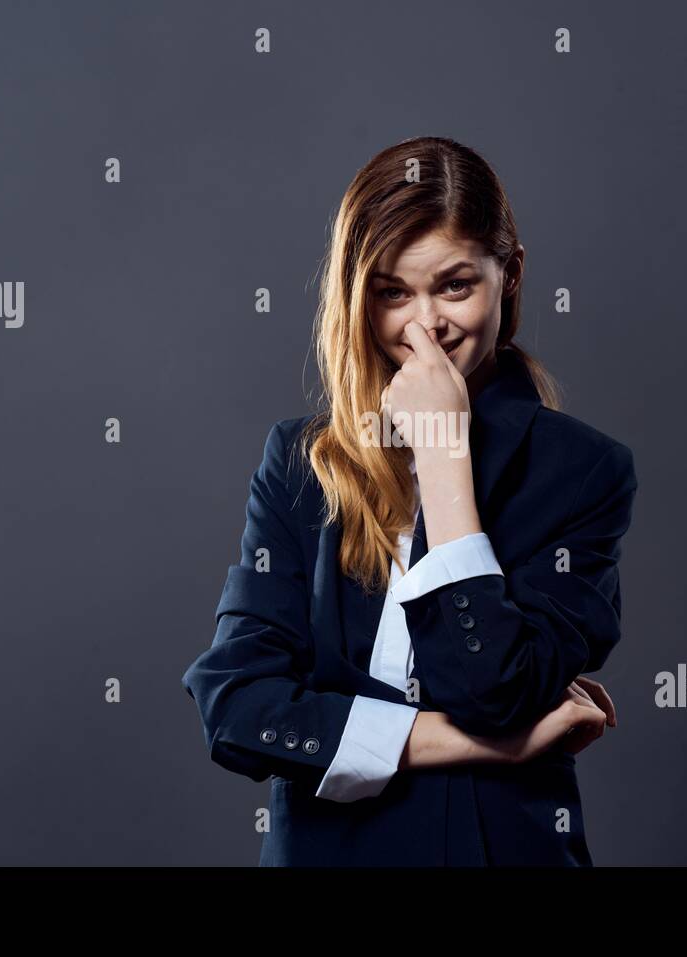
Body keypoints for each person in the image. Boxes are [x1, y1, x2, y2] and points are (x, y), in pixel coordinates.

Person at [182, 136, 638, 866]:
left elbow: (489, 685)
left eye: (456, 286)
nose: (426, 326)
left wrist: (445, 455)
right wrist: (480, 742)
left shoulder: (584, 472)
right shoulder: (301, 462)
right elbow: (237, 710)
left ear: (511, 276)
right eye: (394, 292)